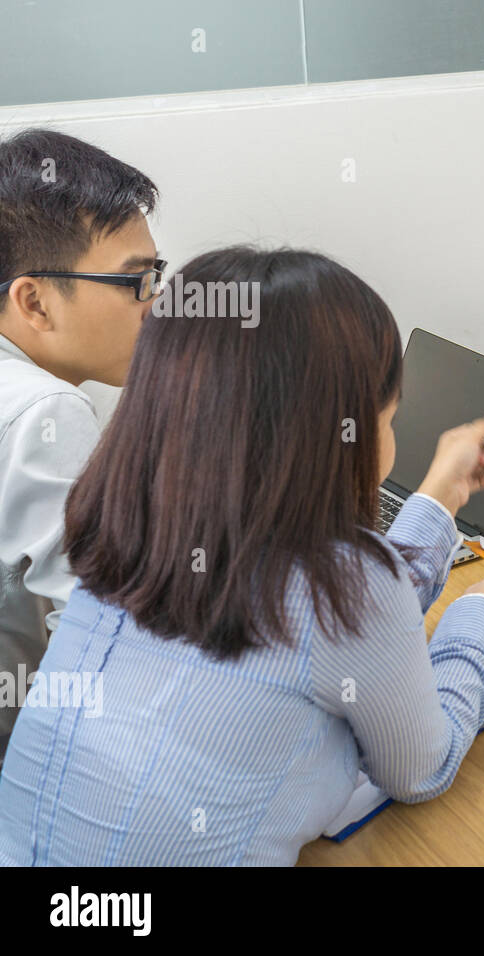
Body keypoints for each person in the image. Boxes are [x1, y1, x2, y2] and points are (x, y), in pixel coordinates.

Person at [0, 246, 484, 865]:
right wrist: (481, 609)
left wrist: (442, 495)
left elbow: (352, 617)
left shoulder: (121, 519)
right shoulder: (345, 580)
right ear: (337, 435)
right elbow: (420, 769)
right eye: (390, 417)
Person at [0, 129, 161, 767]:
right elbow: (96, 638)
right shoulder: (47, 410)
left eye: (157, 274)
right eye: (134, 282)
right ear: (34, 300)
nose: (156, 304)